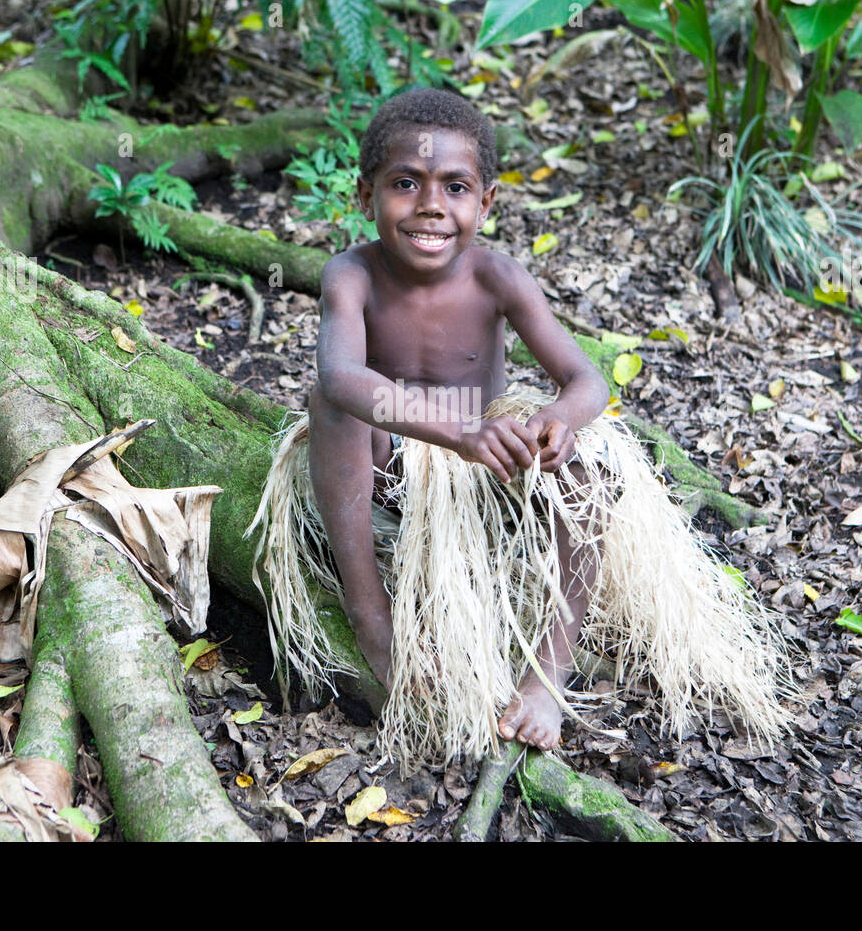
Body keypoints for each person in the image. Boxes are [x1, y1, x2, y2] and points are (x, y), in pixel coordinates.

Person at [249, 88, 791, 768]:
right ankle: (372, 618)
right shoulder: (350, 275)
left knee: (593, 468)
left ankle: (547, 673)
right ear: (365, 195)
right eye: (405, 184)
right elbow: (342, 378)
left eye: (455, 186)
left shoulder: (499, 276)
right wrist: (459, 435)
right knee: (330, 403)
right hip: (383, 477)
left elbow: (588, 380)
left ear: (488, 203)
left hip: (485, 481)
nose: (430, 206)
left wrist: (557, 423)